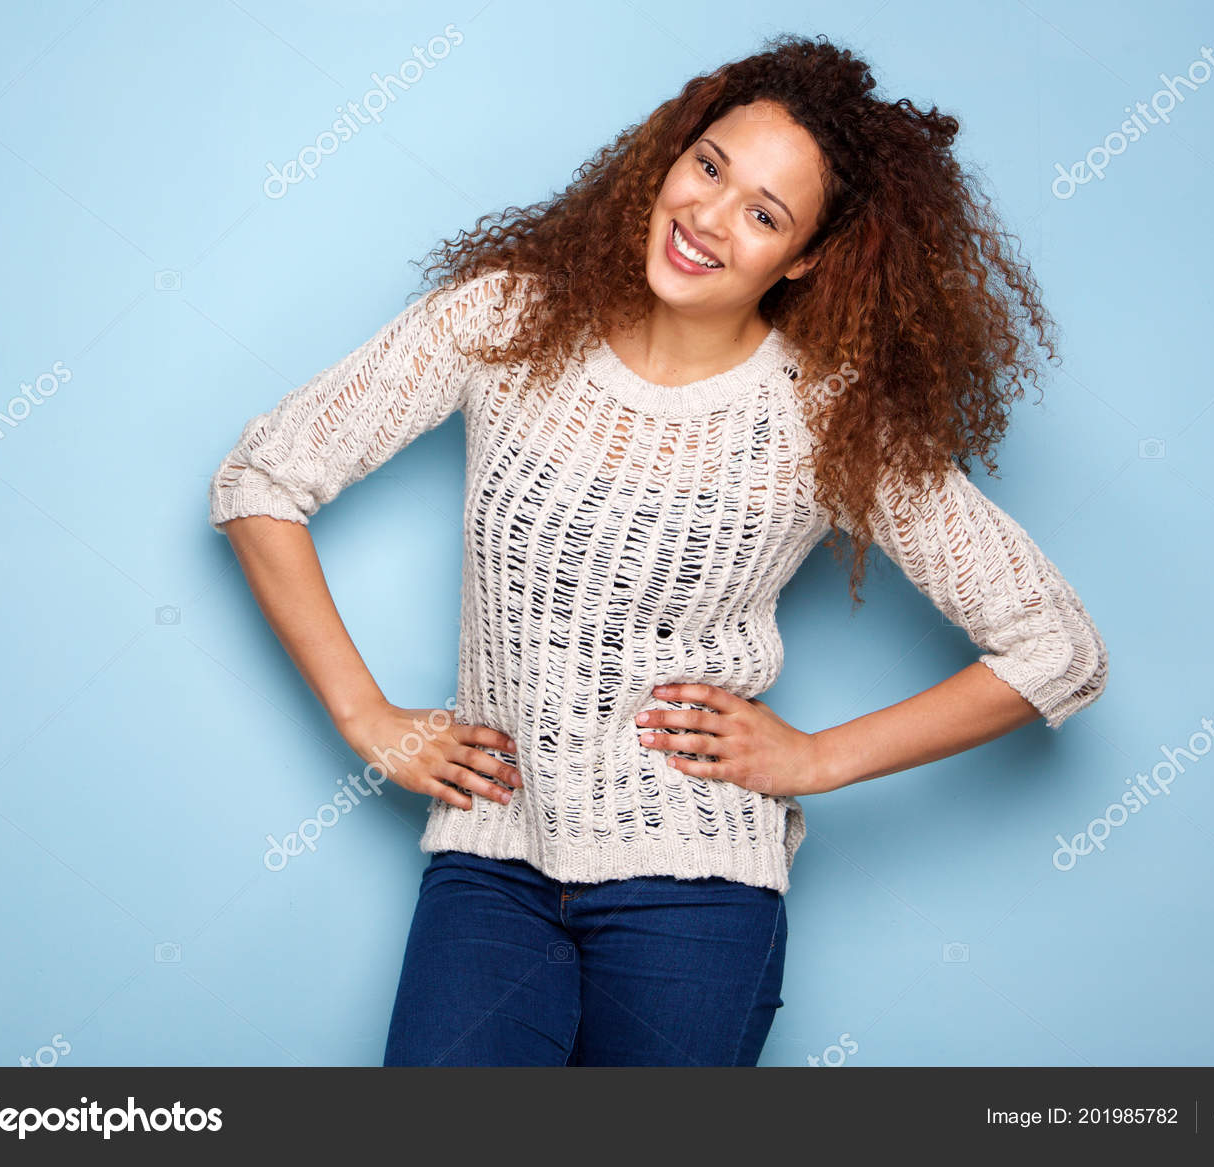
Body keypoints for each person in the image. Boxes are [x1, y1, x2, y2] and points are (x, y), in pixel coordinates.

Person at [207, 34, 1108, 1067]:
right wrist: (364, 716)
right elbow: (260, 478)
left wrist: (814, 758)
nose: (708, 217)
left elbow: (1058, 648)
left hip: (696, 896)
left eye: (763, 213)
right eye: (709, 167)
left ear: (803, 258)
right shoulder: (507, 319)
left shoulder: (824, 419)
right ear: (670, 154)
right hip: (490, 865)